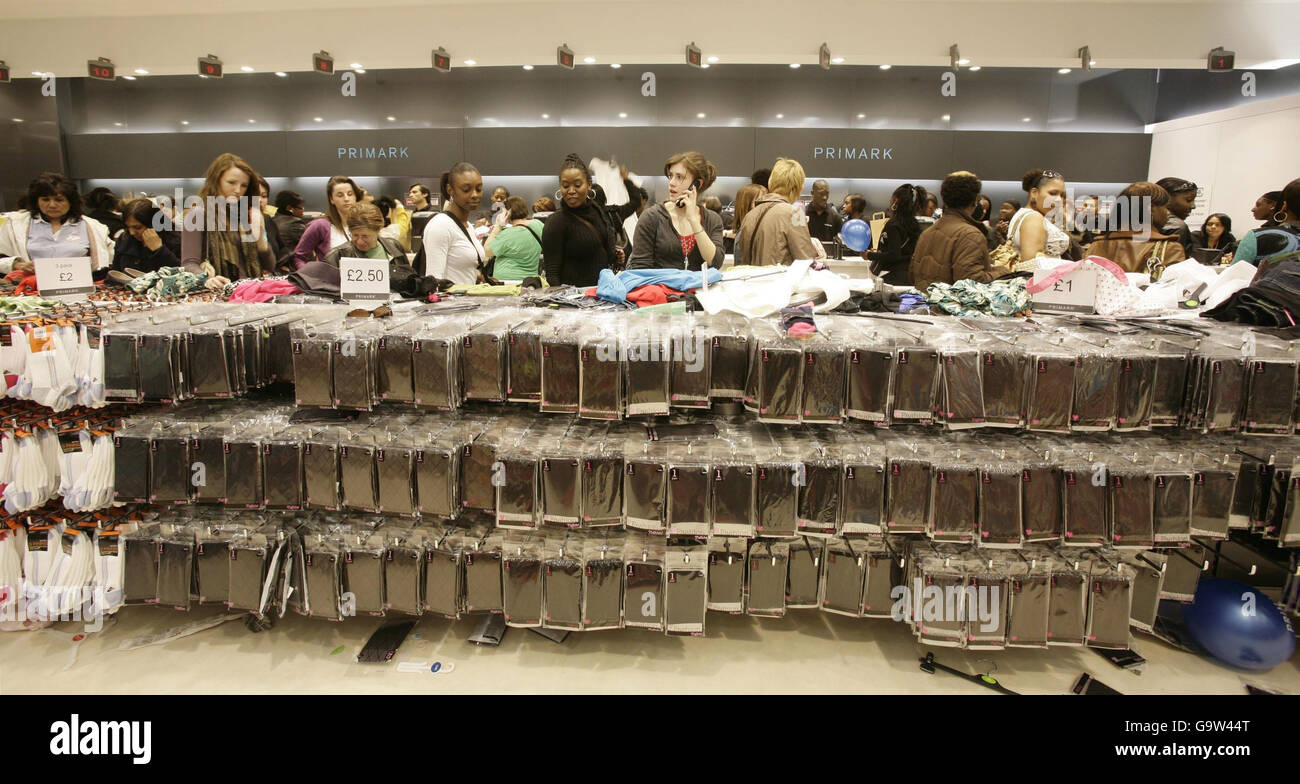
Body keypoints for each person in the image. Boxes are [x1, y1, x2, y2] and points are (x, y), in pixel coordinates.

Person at [179, 153, 275, 283]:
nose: (237, 190)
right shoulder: (198, 214)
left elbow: (270, 266)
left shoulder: (247, 216)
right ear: (216, 180)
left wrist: (261, 241)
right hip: (218, 295)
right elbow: (189, 263)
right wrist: (207, 279)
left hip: (249, 293)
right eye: (231, 182)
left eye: (244, 185)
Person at [0, 172, 115, 275]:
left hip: (80, 287)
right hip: (31, 289)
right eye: (45, 199)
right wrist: (17, 264)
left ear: (71, 202)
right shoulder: (15, 224)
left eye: (59, 200)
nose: (52, 205)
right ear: (36, 201)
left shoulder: (93, 227)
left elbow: (109, 260)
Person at [628, 151, 725, 272]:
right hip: (661, 289)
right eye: (671, 176)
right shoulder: (652, 217)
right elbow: (639, 269)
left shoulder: (712, 219)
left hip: (700, 290)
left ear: (697, 184)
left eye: (679, 177)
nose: (671, 183)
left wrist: (694, 221)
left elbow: (715, 262)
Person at [909, 172, 994, 293]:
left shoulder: (927, 233)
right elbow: (970, 283)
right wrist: (1000, 272)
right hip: (953, 309)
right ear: (974, 201)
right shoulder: (971, 235)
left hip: (925, 305)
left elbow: (913, 274)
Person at [543, 154, 620, 286]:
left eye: (578, 185)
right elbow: (552, 274)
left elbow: (599, 251)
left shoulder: (597, 211)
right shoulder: (556, 222)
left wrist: (615, 255)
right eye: (565, 186)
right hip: (573, 300)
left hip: (603, 294)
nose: (571, 191)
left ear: (589, 185)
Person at [1087, 181, 1187, 275]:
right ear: (1151, 208)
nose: (1167, 213)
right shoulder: (1170, 249)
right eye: (1166, 207)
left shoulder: (1096, 247)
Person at [735, 158, 820, 266]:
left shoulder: (750, 215)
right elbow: (805, 260)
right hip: (781, 280)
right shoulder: (795, 213)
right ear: (798, 186)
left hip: (752, 281)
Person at [321, 203, 416, 293]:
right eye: (355, 235)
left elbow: (408, 283)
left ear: (379, 230)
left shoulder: (394, 247)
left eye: (365, 236)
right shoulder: (336, 256)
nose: (359, 241)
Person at [421, 162, 487, 285]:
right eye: (466, 190)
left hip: (470, 301)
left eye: (479, 189)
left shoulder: (468, 226)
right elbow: (434, 280)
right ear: (450, 190)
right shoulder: (440, 225)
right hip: (451, 303)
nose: (475, 195)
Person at [292, 175, 360, 267]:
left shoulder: (363, 224)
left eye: (350, 194)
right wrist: (309, 277)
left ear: (355, 197)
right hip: (328, 279)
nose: (346, 199)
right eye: (340, 195)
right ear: (331, 199)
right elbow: (299, 257)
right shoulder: (320, 225)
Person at [865, 184, 925, 285]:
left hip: (895, 276)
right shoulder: (915, 224)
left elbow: (894, 255)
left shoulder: (893, 225)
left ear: (896, 200)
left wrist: (869, 255)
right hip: (911, 275)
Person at [1233, 179, 1300, 266]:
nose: (1253, 209)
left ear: (1284, 206)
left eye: (1258, 205)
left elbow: (1234, 276)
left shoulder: (1257, 237)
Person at [1008, 169, 1071, 261]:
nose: (1059, 200)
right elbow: (1032, 263)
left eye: (1062, 195)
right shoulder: (1033, 218)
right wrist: (1069, 266)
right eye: (1053, 193)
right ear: (1034, 193)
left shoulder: (1026, 214)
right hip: (1041, 275)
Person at [111, 198, 182, 274]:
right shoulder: (124, 239)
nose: (132, 233)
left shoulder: (175, 241)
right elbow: (116, 271)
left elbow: (183, 274)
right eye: (128, 227)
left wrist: (159, 250)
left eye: (137, 227)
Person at [484, 196, 545, 281]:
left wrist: (498, 226)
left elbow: (487, 251)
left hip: (507, 284)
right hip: (531, 282)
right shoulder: (538, 225)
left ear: (507, 213)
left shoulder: (506, 235)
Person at [1154, 177, 1197, 258]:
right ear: (1167, 198)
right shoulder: (1177, 227)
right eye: (1188, 200)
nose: (1193, 206)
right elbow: (1173, 264)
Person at [272, 191, 312, 265]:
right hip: (291, 265)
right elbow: (310, 245)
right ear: (289, 208)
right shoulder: (295, 223)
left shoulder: (272, 220)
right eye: (300, 207)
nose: (303, 210)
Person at [804, 179, 843, 246]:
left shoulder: (835, 216)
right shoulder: (802, 213)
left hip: (828, 255)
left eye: (827, 193)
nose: (824, 197)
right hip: (807, 255)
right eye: (821, 194)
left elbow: (841, 241)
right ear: (812, 193)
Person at [254, 176, 283, 261]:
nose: (260, 200)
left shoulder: (267, 219)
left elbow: (281, 249)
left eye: (264, 196)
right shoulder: (234, 225)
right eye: (255, 195)